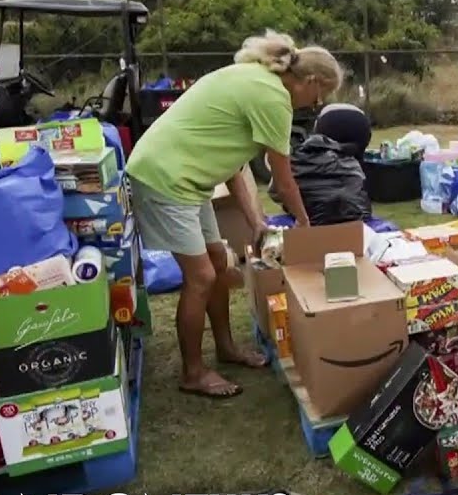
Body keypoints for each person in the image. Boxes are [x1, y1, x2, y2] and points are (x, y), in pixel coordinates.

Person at [126, 30, 343, 399]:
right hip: (164, 178)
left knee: (219, 264)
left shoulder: (253, 79)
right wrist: (305, 224)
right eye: (320, 95)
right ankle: (192, 373)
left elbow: (236, 165)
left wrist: (257, 222)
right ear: (309, 81)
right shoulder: (273, 97)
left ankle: (226, 349)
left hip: (188, 180)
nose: (316, 104)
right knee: (202, 278)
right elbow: (284, 178)